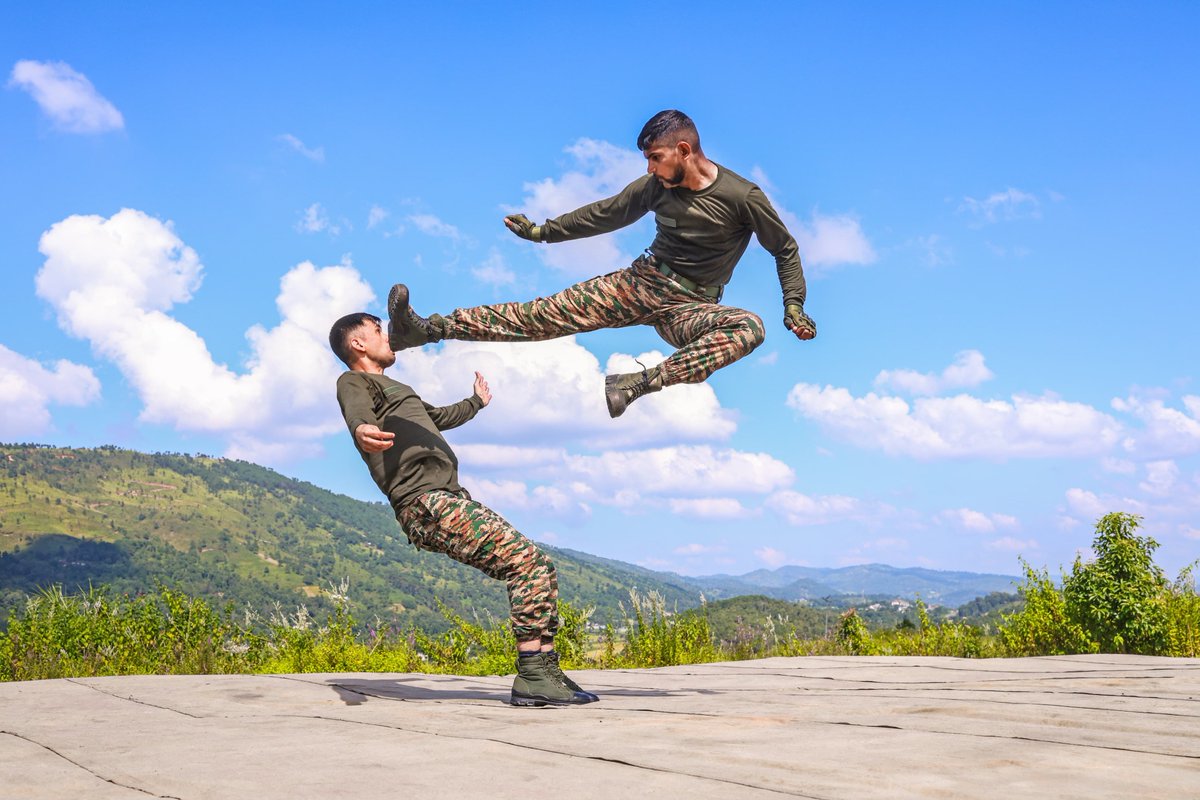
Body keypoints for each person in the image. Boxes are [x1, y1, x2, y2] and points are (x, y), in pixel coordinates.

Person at [386, 109, 817, 417]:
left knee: (748, 328)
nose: (650, 168)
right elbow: (607, 213)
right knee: (538, 317)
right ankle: (427, 329)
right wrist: (542, 231)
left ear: (684, 150)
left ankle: (637, 384)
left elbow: (784, 249)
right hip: (641, 284)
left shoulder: (742, 197)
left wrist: (793, 305)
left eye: (656, 158)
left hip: (691, 308)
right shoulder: (655, 187)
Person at [329, 311, 596, 707]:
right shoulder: (354, 381)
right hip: (427, 501)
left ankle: (545, 668)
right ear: (358, 344)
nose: (387, 336)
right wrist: (362, 429)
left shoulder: (397, 390)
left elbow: (438, 417)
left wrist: (476, 402)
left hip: (447, 499)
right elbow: (356, 409)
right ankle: (532, 675)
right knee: (527, 564)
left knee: (539, 567)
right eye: (378, 330)